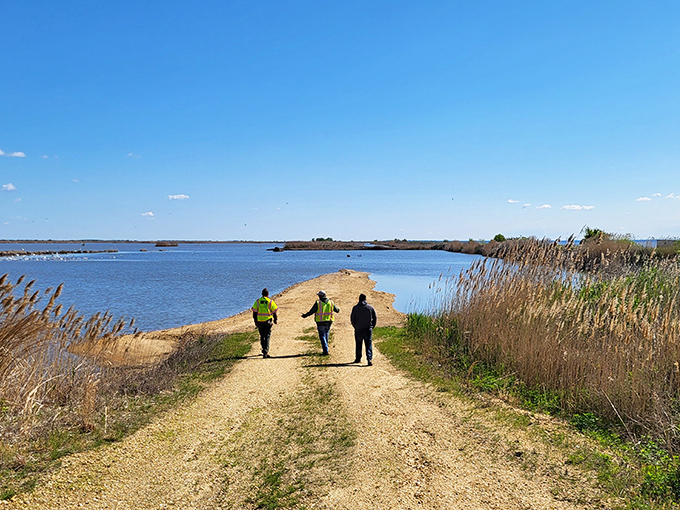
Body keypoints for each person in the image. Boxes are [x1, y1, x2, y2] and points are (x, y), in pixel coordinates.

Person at [301, 290, 339, 355]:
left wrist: (305, 315)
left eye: (319, 295)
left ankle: (325, 350)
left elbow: (312, 311)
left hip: (320, 321)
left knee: (322, 335)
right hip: (329, 321)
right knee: (326, 334)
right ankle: (326, 348)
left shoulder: (318, 303)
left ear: (321, 296)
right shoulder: (331, 302)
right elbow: (337, 310)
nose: (318, 296)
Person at [350, 293, 377, 366]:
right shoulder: (370, 308)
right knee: (368, 344)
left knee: (358, 344)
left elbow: (352, 319)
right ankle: (369, 359)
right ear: (365, 299)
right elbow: (375, 318)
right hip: (368, 328)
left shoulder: (355, 308)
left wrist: (355, 326)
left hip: (358, 328)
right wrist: (372, 326)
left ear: (359, 299)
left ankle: (358, 358)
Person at [252, 288, 278, 358]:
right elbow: (274, 312)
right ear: (268, 294)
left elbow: (254, 312)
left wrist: (255, 321)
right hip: (267, 321)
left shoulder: (258, 301)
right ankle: (265, 352)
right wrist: (275, 320)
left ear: (262, 294)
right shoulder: (270, 302)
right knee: (267, 336)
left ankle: (263, 349)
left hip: (259, 321)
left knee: (262, 335)